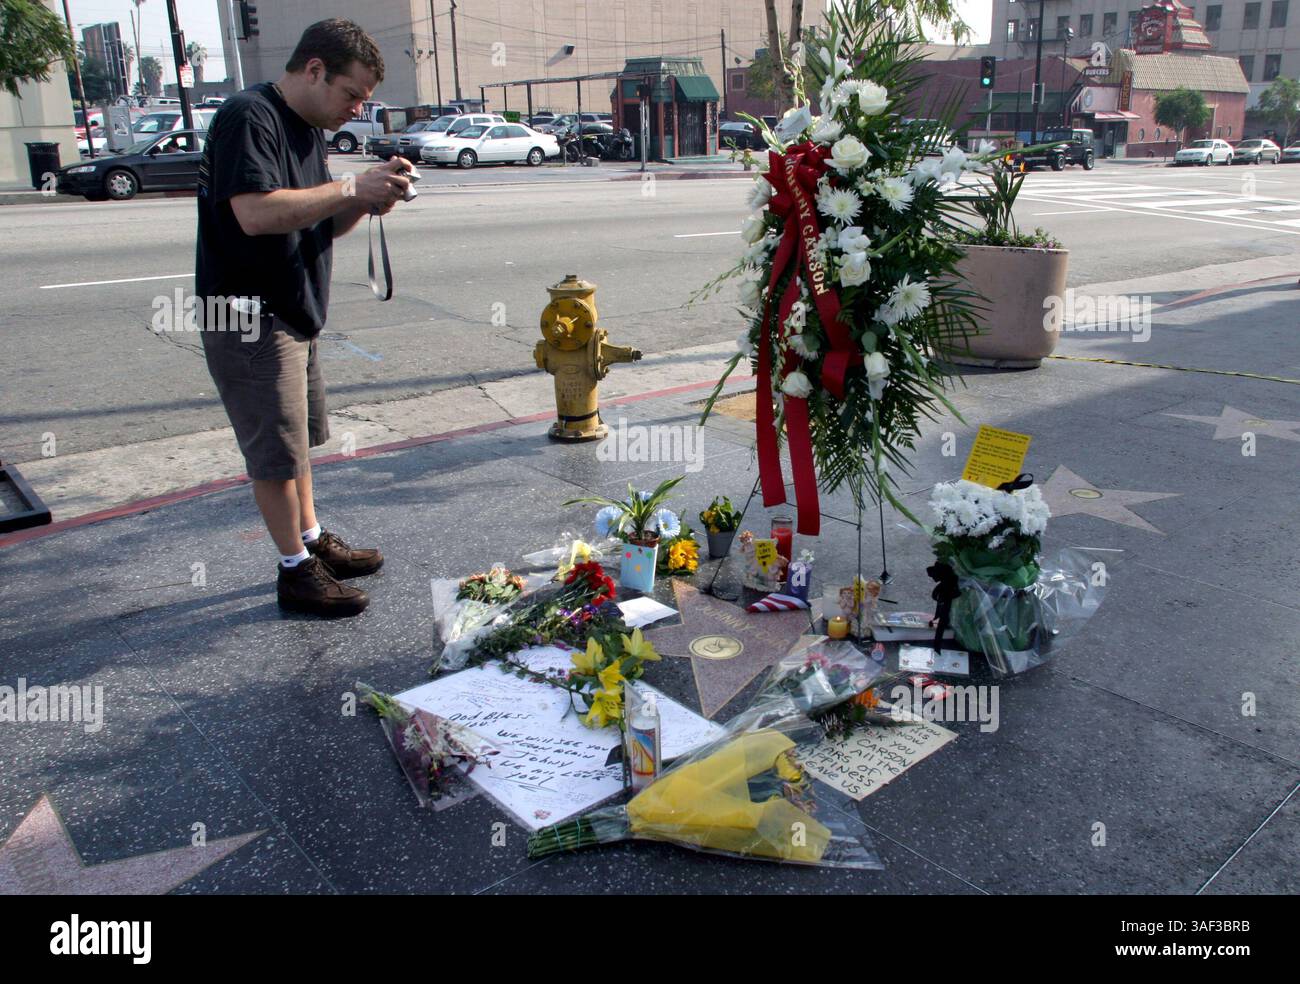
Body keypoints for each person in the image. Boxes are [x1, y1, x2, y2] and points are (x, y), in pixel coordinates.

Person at [196, 19, 414, 618]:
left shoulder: (309, 128)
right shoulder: (249, 116)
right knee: (274, 454)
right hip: (247, 316)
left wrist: (367, 199)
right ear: (315, 69)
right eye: (352, 94)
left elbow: (318, 219)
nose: (356, 109)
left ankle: (312, 540)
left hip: (293, 312)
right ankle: (295, 571)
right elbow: (255, 214)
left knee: (297, 445)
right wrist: (349, 185)